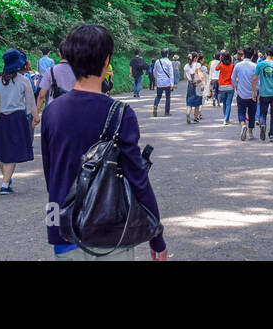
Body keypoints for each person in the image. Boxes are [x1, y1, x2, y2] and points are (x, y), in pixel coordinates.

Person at [40, 23, 167, 260]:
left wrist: (54, 224)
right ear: (107, 61)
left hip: (64, 229)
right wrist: (156, 237)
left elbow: (51, 175)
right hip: (110, 230)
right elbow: (138, 179)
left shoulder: (52, 112)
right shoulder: (120, 113)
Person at [0, 49, 39, 193]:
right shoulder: (23, 79)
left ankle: (6, 177)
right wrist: (36, 117)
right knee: (12, 152)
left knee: (2, 150)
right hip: (17, 118)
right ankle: (5, 184)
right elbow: (30, 101)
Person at [37, 49, 77, 116]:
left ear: (60, 54)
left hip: (46, 80)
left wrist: (37, 113)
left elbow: (41, 96)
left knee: (48, 97)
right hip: (71, 108)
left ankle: (46, 110)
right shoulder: (78, 71)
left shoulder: (40, 62)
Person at [254, 46, 273, 142]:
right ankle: (271, 135)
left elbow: (254, 79)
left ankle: (262, 125)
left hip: (263, 93)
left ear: (265, 54)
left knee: (263, 113)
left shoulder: (260, 65)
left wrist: (253, 92)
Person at [232, 47, 259, 140]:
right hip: (252, 94)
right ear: (252, 56)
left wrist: (236, 86)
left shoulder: (238, 65)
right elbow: (258, 81)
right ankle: (250, 133)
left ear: (243, 54)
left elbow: (233, 78)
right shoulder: (255, 66)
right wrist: (256, 91)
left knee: (241, 112)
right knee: (252, 114)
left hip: (241, 93)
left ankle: (243, 125)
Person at [151, 48, 175, 117]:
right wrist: (172, 84)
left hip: (159, 82)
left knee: (158, 96)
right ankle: (167, 112)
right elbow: (171, 74)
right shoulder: (169, 62)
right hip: (167, 82)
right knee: (168, 97)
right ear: (167, 54)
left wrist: (156, 78)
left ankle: (155, 106)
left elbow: (154, 71)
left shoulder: (157, 61)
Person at [184, 53, 205, 124]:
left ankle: (188, 113)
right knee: (197, 102)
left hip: (190, 84)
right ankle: (196, 118)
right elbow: (200, 74)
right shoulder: (197, 65)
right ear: (195, 58)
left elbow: (185, 77)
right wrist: (202, 83)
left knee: (189, 101)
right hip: (197, 84)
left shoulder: (186, 66)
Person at [216, 51, 235, 124]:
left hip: (222, 86)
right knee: (228, 103)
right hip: (230, 86)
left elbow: (216, 68)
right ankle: (226, 119)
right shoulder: (232, 66)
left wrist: (220, 61)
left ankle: (225, 118)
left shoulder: (221, 65)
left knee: (224, 103)